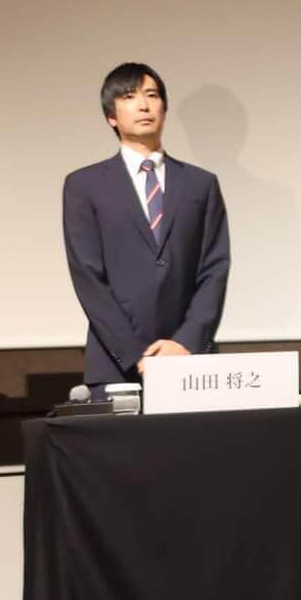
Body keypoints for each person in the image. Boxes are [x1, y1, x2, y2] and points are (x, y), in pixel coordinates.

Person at [62, 62, 231, 396]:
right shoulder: (85, 185)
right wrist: (136, 354)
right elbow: (88, 277)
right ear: (111, 116)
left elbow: (214, 268)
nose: (143, 105)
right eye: (129, 97)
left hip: (188, 360)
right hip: (116, 363)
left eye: (152, 95)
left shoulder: (200, 184)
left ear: (164, 108)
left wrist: (185, 342)